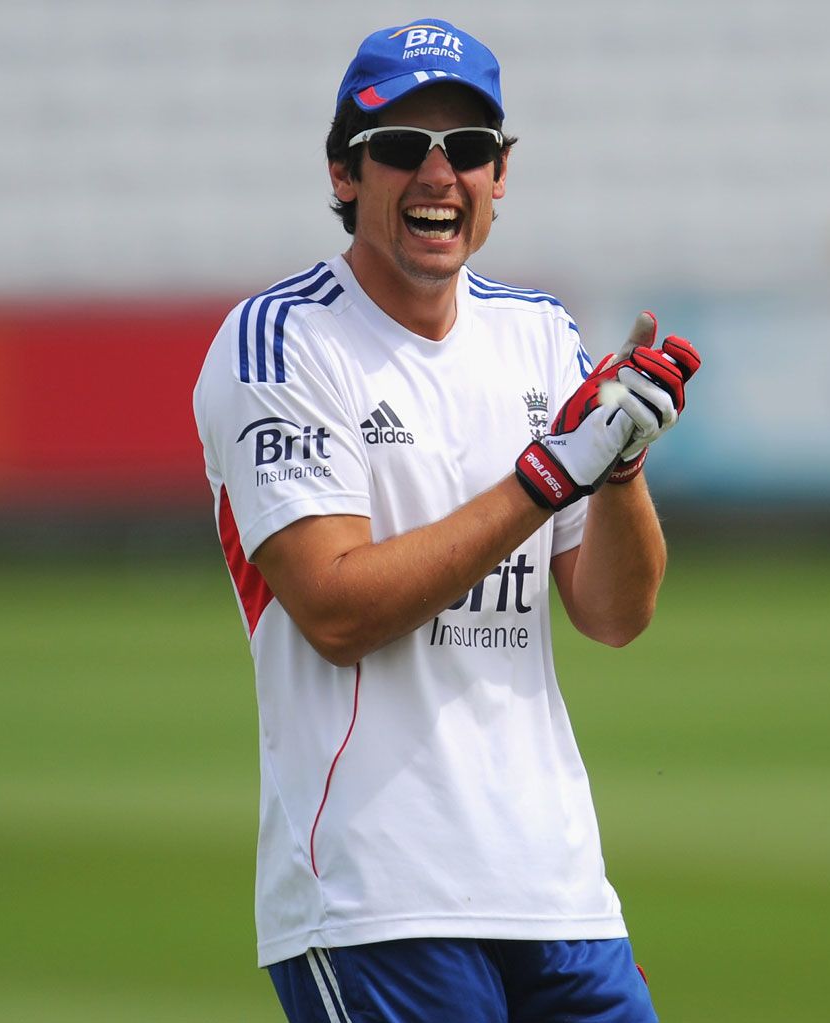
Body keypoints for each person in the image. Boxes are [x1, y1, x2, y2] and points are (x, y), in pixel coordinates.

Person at [193, 17, 700, 1023]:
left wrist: (620, 466)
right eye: (401, 148)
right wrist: (550, 477)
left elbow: (612, 612)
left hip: (559, 894)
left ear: (500, 176)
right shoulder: (281, 341)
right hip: (375, 898)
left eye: (468, 149)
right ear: (345, 174)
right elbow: (335, 611)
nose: (439, 173)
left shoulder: (539, 332)